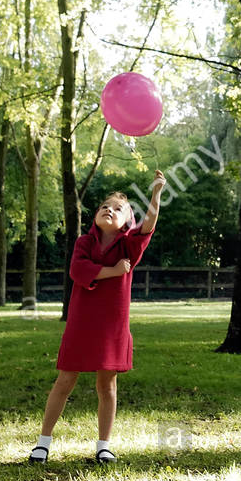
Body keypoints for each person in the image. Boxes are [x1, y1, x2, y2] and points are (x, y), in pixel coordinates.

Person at [28, 171, 165, 464]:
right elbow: (78, 272)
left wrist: (155, 194)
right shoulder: (83, 243)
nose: (109, 210)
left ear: (128, 221)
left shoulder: (129, 245)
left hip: (113, 326)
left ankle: (104, 445)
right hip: (82, 324)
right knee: (65, 380)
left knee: (107, 385)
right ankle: (43, 442)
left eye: (118, 209)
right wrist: (114, 271)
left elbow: (149, 225)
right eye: (105, 206)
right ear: (95, 215)